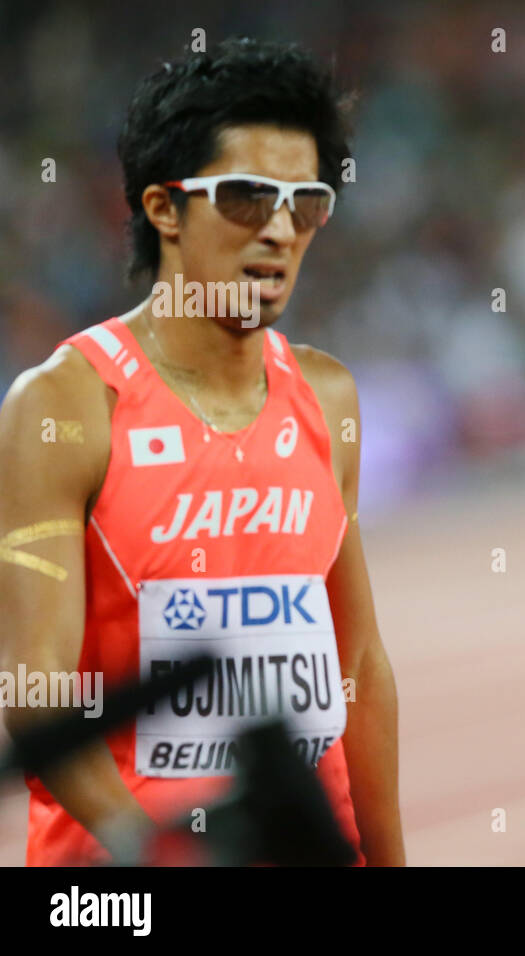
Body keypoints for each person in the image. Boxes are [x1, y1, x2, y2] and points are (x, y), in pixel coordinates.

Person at [0, 37, 404, 865]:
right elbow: (33, 689)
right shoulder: (65, 406)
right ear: (163, 208)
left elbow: (358, 661)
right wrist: (153, 852)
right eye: (249, 199)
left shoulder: (329, 399)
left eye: (308, 203)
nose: (282, 231)